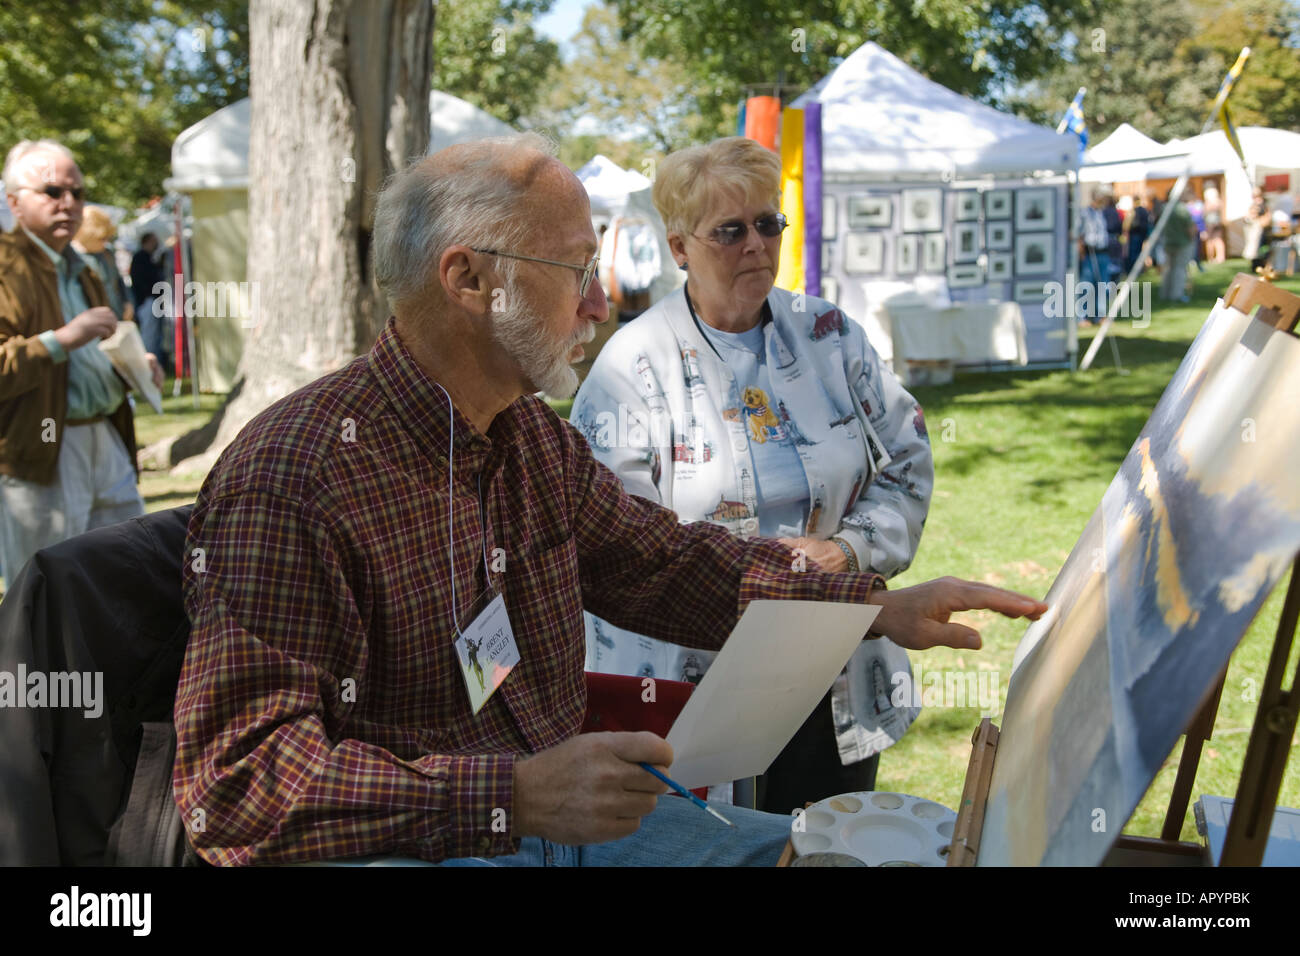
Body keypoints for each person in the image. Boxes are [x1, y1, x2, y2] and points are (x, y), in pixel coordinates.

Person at [172, 133, 1047, 867]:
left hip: (554, 828)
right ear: (469, 279)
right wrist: (510, 793)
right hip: (436, 844)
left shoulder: (526, 438)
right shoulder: (295, 478)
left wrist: (873, 608)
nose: (599, 303)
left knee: (831, 860)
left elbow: (668, 564)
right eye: (577, 270)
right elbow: (234, 788)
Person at [572, 136, 931, 814]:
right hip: (697, 679)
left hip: (835, 663)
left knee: (829, 839)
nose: (756, 245)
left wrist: (848, 550)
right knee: (724, 848)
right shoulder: (631, 366)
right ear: (680, 248)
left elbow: (908, 459)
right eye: (730, 231)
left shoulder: (829, 333)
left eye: (769, 224)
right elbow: (622, 543)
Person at [0, 139, 164, 584]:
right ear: (14, 203)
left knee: (125, 578)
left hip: (106, 435)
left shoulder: (84, 267)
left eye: (77, 192)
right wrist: (63, 338)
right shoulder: (5, 265)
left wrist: (133, 366)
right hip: (43, 445)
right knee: (43, 592)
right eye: (52, 192)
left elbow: (95, 351)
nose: (68, 203)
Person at [72, 206, 132, 322]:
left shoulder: (107, 253)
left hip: (117, 316)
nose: (105, 243)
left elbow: (118, 281)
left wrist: (128, 302)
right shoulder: (73, 258)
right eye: (102, 239)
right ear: (87, 235)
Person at [129, 231, 167, 359]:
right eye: (154, 241)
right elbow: (140, 279)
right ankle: (147, 359)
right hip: (147, 301)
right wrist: (148, 295)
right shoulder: (141, 257)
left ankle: (154, 359)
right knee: (148, 333)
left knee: (154, 333)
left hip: (151, 299)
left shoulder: (148, 257)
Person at [1078, 191, 1110, 325]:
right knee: (1086, 285)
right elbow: (1078, 234)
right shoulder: (1085, 213)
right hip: (1090, 253)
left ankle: (1100, 315)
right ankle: (1082, 316)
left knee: (1103, 285)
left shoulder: (1100, 213)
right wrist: (1081, 252)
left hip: (1103, 252)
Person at [1159, 197, 1197, 303]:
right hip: (1182, 243)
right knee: (1179, 269)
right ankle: (1176, 295)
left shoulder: (1164, 208)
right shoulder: (1182, 209)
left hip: (1168, 242)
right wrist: (1192, 238)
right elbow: (1190, 228)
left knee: (1168, 269)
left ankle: (1165, 293)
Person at [1123, 193, 1152, 276]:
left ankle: (1133, 270)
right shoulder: (1144, 210)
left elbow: (1126, 224)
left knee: (1133, 253)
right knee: (1139, 253)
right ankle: (1140, 270)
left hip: (1134, 234)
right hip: (1143, 234)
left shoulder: (1133, 211)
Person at [1243, 187, 1270, 271]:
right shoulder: (1253, 204)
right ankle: (1255, 265)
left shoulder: (1264, 205)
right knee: (1253, 248)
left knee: (1260, 249)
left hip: (1260, 230)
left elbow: (1266, 218)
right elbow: (1247, 216)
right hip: (1253, 229)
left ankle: (1261, 265)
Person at [1202, 185, 1225, 264]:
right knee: (1218, 240)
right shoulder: (1219, 202)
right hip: (1217, 222)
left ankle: (1211, 257)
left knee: (1210, 240)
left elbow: (1204, 212)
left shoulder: (1209, 203)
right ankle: (1220, 256)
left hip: (1210, 223)